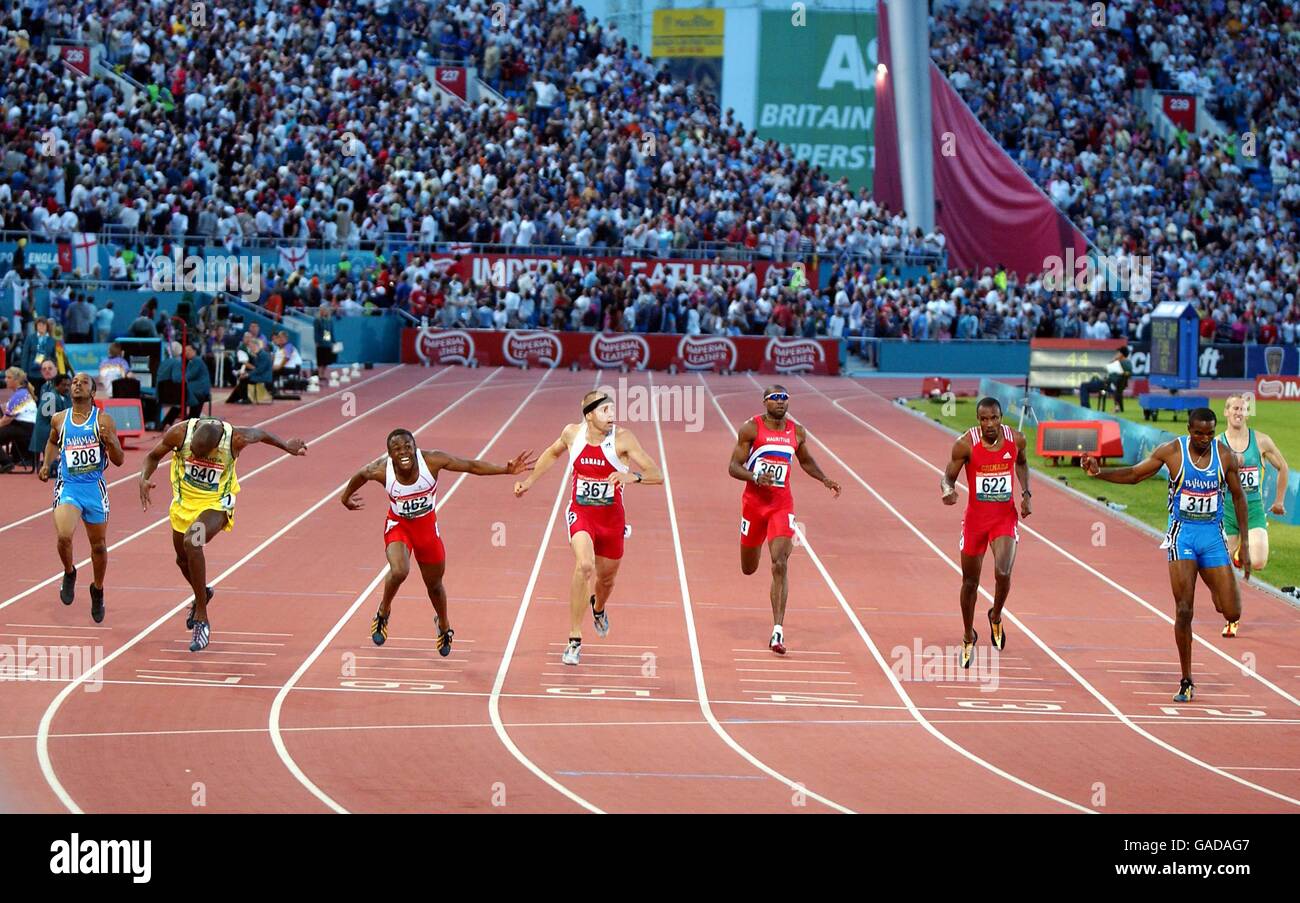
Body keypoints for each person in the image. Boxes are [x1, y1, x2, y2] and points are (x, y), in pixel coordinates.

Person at [1081, 408, 1249, 701]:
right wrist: (1099, 473)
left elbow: (1238, 495)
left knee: (1231, 611)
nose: (1205, 438)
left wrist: (1244, 541)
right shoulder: (1172, 452)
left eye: (1210, 433)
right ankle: (1186, 679)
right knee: (1184, 609)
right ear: (1189, 429)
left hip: (1212, 536)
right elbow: (1135, 475)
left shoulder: (1224, 456)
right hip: (1182, 535)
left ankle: (1214, 584)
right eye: (1199, 433)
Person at [340, 429, 535, 652]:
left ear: (415, 447)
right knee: (399, 571)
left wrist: (505, 470)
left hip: (426, 529)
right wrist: (345, 498)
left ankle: (443, 625)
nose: (403, 452)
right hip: (399, 526)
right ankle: (383, 612)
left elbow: (470, 466)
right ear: (389, 454)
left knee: (434, 585)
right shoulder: (381, 469)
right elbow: (361, 475)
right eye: (397, 449)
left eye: (407, 447)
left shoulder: (432, 461)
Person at [513, 390, 663, 666]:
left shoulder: (623, 439)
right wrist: (530, 482)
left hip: (612, 520)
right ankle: (574, 638)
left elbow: (657, 474)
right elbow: (551, 453)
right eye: (605, 411)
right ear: (589, 414)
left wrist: (633, 477)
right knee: (584, 565)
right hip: (581, 513)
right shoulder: (573, 434)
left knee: (606, 581)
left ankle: (599, 607)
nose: (612, 416)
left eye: (613, 410)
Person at [139, 418, 308, 651]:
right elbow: (152, 457)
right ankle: (203, 592)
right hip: (184, 503)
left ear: (217, 445)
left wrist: (286, 445)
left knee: (192, 541)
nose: (197, 458)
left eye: (203, 455)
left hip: (215, 504)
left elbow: (262, 434)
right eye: (194, 454)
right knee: (181, 560)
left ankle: (202, 617)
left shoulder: (236, 438)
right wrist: (143, 479)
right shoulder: (179, 433)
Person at [727, 385, 841, 654]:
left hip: (781, 506)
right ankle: (750, 546)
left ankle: (777, 631)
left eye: (784, 398)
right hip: (754, 506)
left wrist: (825, 479)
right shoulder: (751, 429)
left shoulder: (797, 432)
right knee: (749, 568)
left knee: (780, 563)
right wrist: (755, 476)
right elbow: (733, 467)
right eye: (775, 398)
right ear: (765, 402)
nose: (780, 402)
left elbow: (806, 461)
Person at [941, 397, 1031, 666]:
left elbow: (1023, 463)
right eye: (984, 419)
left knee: (1003, 572)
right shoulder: (965, 443)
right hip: (975, 522)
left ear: (1001, 417)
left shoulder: (1017, 439)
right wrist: (948, 491)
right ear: (978, 419)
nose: (989, 424)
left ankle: (995, 615)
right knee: (970, 583)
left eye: (994, 418)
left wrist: (1026, 493)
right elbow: (948, 476)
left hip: (1004, 518)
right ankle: (969, 635)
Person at [39, 373, 125, 622]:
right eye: (74, 382)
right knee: (64, 536)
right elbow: (53, 442)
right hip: (69, 486)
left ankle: (97, 589)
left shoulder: (103, 421)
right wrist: (46, 464)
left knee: (98, 546)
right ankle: (69, 571)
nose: (77, 384)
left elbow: (119, 461)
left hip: (94, 489)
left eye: (84, 382)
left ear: (92, 392)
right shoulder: (59, 419)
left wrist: (112, 443)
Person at [1219, 394, 1289, 576]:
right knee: (1220, 568)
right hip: (1227, 510)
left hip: (1253, 509)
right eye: (1235, 408)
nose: (1239, 413)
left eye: (1243, 409)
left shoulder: (1261, 441)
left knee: (1257, 561)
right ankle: (1235, 555)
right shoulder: (1217, 444)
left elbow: (1283, 467)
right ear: (1226, 412)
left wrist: (1279, 501)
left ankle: (1240, 552)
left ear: (1247, 414)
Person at [30, 360, 70, 465]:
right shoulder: (50, 395)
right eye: (64, 385)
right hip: (46, 430)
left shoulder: (63, 395)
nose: (67, 388)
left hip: (53, 426)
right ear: (56, 386)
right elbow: (50, 417)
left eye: (68, 385)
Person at [0, 367, 39, 472]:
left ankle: (6, 462)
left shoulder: (19, 395)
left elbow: (6, 420)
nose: (6, 380)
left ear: (16, 380)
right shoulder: (22, 393)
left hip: (24, 427)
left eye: (9, 377)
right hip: (25, 427)